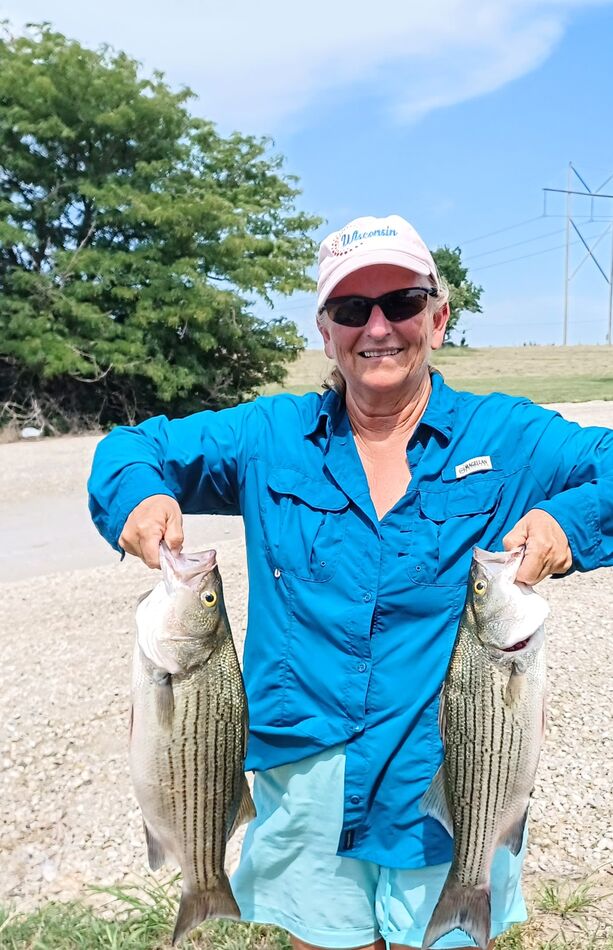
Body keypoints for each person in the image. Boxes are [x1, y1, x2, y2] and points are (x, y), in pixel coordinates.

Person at [88, 214, 613, 950]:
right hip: (303, 775)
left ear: (437, 315)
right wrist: (140, 496)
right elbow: (132, 448)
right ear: (325, 330)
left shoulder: (506, 436)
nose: (377, 327)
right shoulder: (268, 437)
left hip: (443, 771)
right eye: (350, 309)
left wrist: (567, 522)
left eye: (399, 302)